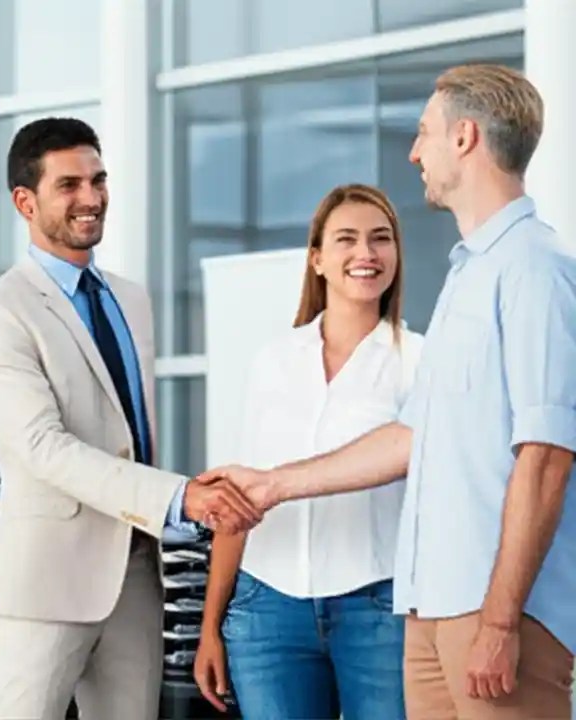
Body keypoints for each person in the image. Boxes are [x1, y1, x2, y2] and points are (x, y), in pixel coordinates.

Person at [199, 63, 576, 719]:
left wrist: (500, 619)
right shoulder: (468, 278)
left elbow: (545, 457)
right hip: (429, 608)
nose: (414, 151)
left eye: (424, 133)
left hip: (487, 610)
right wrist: (272, 485)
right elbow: (408, 439)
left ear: (464, 138)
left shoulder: (534, 272)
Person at [0, 116, 261, 720]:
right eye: (69, 184)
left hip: (137, 577)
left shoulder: (130, 298)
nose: (91, 198)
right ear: (25, 200)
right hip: (47, 583)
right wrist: (181, 497)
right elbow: (44, 447)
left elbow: (126, 437)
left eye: (98, 180)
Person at [192, 183, 422, 719]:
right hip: (267, 611)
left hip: (380, 611)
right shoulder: (272, 362)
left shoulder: (420, 362)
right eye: (347, 239)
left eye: (380, 239)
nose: (365, 254)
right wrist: (210, 626)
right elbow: (238, 499)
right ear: (317, 259)